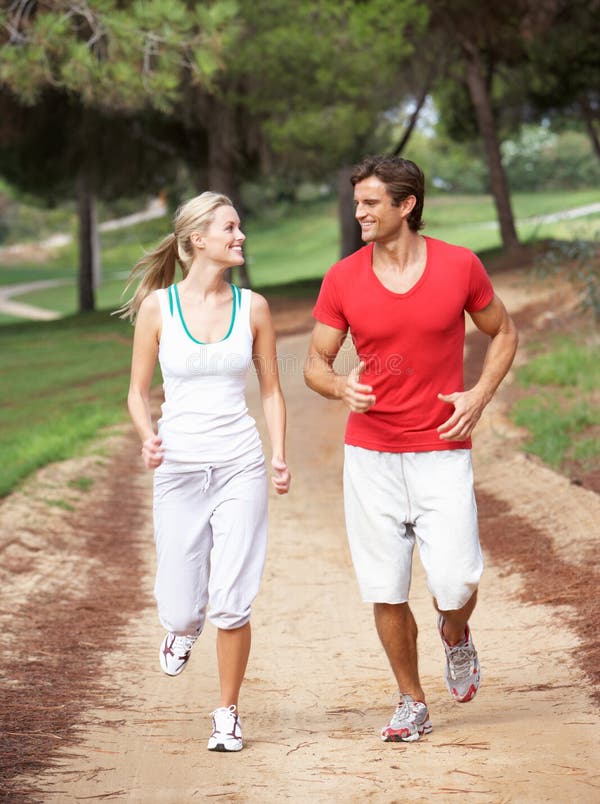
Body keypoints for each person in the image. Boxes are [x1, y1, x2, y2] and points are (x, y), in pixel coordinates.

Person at [304, 155, 518, 743]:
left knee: (455, 581)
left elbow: (503, 330)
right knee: (385, 585)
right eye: (357, 203)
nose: (360, 214)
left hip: (440, 450)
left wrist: (479, 394)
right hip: (370, 456)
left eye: (371, 203)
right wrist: (340, 385)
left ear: (407, 205)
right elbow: (315, 365)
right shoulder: (343, 277)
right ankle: (411, 700)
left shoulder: (458, 266)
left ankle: (455, 633)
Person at [122, 191, 291, 753]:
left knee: (233, 599)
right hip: (179, 470)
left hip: (239, 464)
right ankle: (181, 628)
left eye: (239, 227)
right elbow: (136, 393)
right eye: (230, 227)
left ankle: (227, 713)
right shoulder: (158, 309)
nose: (240, 236)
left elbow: (271, 390)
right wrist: (149, 439)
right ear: (199, 240)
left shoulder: (255, 307)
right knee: (179, 605)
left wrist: (278, 453)